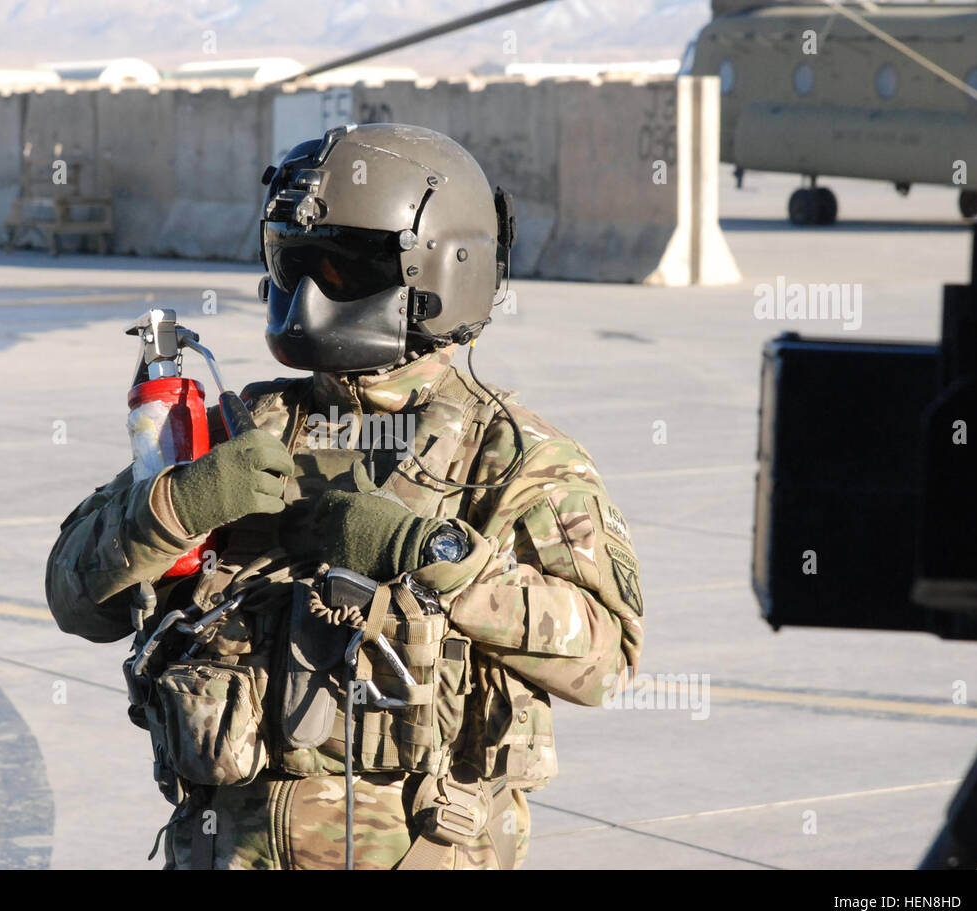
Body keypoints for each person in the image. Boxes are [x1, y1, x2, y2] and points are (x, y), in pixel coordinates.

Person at [46, 123, 645, 869]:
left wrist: (436, 557)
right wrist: (174, 508)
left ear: (443, 275)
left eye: (344, 269)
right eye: (294, 265)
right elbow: (75, 600)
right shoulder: (242, 427)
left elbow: (607, 660)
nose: (310, 295)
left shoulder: (512, 458)